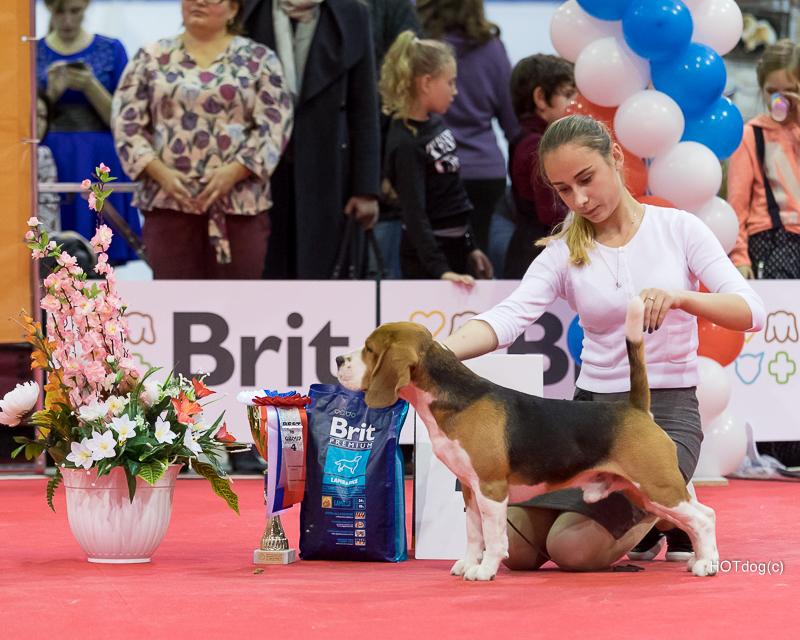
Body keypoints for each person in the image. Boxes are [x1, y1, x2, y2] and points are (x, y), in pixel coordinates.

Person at [442, 115, 765, 572]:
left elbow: (753, 312)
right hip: (586, 419)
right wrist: (438, 353)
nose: (579, 199)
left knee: (574, 551)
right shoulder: (561, 251)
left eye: (586, 179)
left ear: (615, 156)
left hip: (665, 414)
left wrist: (681, 298)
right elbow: (510, 316)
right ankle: (655, 511)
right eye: (564, 190)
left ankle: (662, 509)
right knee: (514, 549)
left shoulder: (679, 228)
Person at [112, 0, 293, 279]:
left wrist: (234, 171)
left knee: (241, 306)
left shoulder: (259, 59)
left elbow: (275, 123)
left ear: (233, 10)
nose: (199, 2)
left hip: (239, 205)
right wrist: (161, 174)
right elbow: (126, 123)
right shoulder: (150, 57)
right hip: (168, 203)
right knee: (173, 304)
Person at [242, 0, 381, 279]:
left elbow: (364, 106)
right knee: (264, 277)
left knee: (320, 276)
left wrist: (366, 189)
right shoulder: (247, 9)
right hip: (257, 175)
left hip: (328, 172)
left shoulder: (352, 13)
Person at [380, 31, 493, 284]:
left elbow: (453, 194)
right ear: (426, 83)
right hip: (427, 260)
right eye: (450, 82)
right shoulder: (406, 142)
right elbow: (414, 213)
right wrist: (440, 270)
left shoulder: (436, 125)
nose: (455, 92)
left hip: (456, 247)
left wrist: (470, 246)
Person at [37, 0, 140, 263]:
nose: (68, 21)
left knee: (103, 246)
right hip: (51, 158)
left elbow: (125, 119)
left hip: (99, 156)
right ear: (50, 10)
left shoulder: (111, 49)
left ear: (85, 8)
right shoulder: (33, 51)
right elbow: (26, 122)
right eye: (60, 12)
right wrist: (51, 95)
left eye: (75, 12)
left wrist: (91, 86)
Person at [417, 0, 521, 258]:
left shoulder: (419, 50)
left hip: (430, 171)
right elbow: (513, 124)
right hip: (485, 174)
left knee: (431, 265)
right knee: (479, 266)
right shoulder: (492, 48)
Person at [728, 39, 800, 280]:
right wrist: (739, 256)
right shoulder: (751, 134)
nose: (780, 99)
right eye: (772, 91)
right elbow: (736, 204)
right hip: (771, 242)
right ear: (761, 88)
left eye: (791, 90)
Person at [504, 54, 575, 279]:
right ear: (541, 98)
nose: (575, 104)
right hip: (536, 259)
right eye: (568, 95)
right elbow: (552, 214)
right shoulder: (536, 146)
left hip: (534, 252)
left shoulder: (528, 139)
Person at [36, 93, 61, 236]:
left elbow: (48, 221)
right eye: (33, 114)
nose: (37, 122)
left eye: (42, 116)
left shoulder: (43, 155)